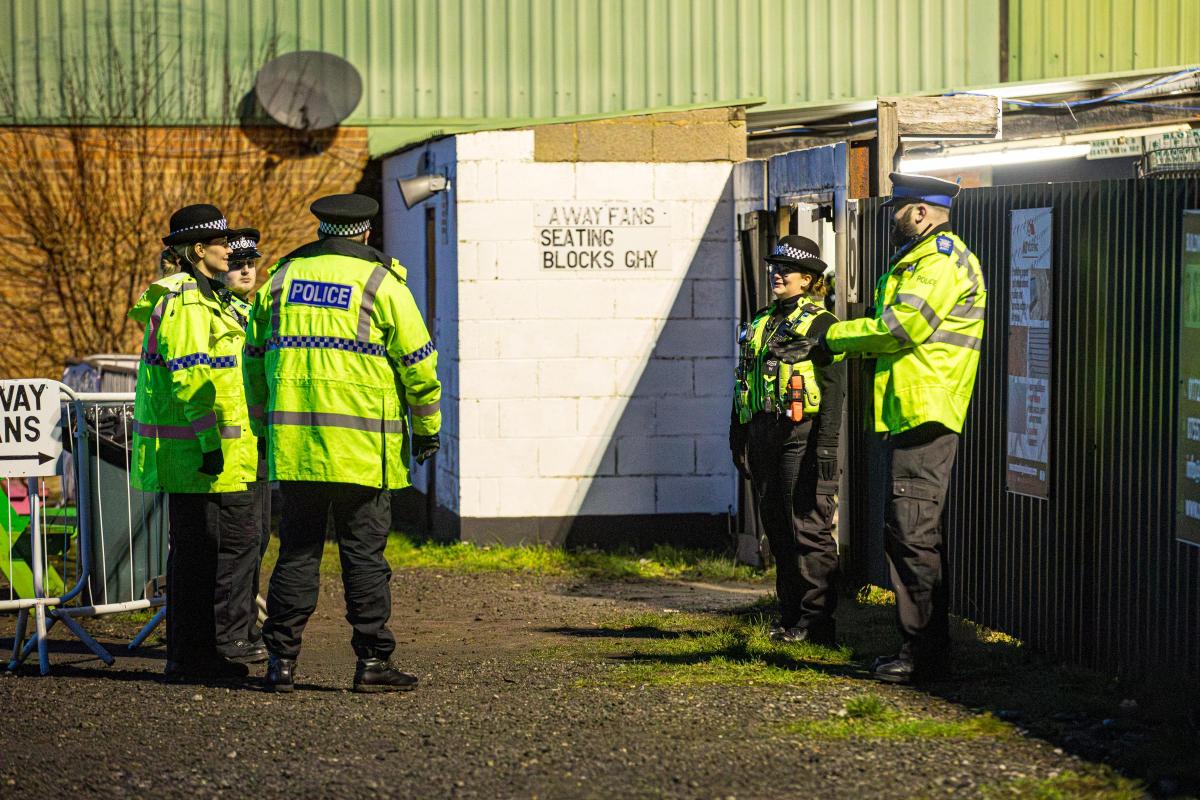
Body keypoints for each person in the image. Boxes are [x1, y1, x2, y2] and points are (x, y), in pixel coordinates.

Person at [244, 194, 442, 693]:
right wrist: (427, 429)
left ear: (321, 231)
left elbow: (252, 362)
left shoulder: (280, 282)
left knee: (296, 553)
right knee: (364, 557)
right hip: (363, 452)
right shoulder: (382, 283)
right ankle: (372, 662)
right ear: (366, 232)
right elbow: (419, 365)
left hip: (299, 448)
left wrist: (263, 429)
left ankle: (280, 663)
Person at [818, 172, 987, 685]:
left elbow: (901, 327)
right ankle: (924, 651)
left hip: (925, 411)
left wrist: (832, 337)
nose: (890, 219)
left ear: (919, 212)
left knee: (912, 533)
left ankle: (923, 657)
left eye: (896, 209)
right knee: (911, 532)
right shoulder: (924, 258)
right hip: (915, 410)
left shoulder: (938, 261)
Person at [129, 204, 260, 681]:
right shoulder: (186, 302)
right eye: (222, 243)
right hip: (197, 455)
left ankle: (199, 655)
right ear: (199, 250)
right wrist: (209, 444)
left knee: (206, 556)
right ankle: (194, 657)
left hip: (213, 453)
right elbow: (191, 379)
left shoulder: (211, 298)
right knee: (199, 557)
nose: (231, 249)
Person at [730, 235, 845, 646]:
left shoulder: (823, 325)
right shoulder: (762, 320)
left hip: (802, 434)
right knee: (777, 527)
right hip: (762, 432)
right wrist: (738, 434)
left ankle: (817, 623)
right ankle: (790, 616)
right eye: (774, 267)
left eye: (787, 269)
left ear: (809, 279)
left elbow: (833, 390)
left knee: (807, 528)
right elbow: (744, 380)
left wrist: (826, 447)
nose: (776, 274)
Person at [210, 227, 270, 659]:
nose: (247, 270)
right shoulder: (218, 312)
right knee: (237, 543)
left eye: (251, 263)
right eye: (237, 264)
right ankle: (231, 634)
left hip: (257, 441)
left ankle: (247, 625)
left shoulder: (254, 311)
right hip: (230, 445)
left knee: (258, 539)